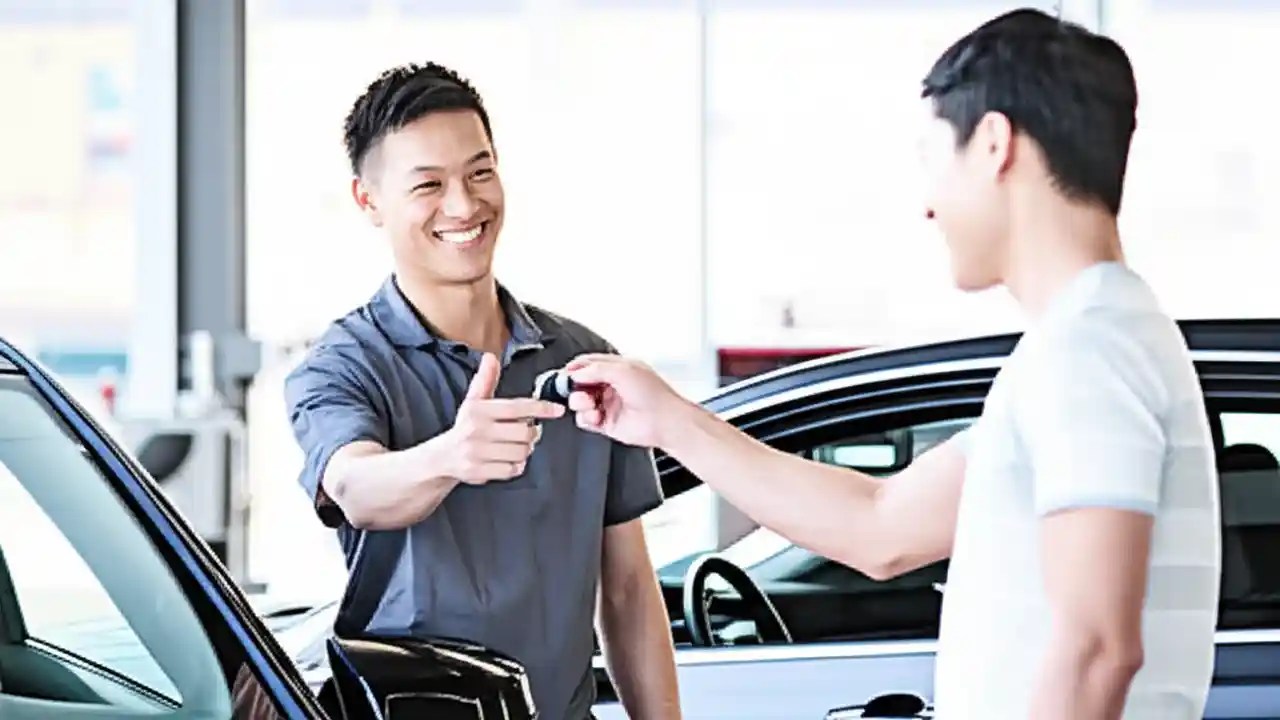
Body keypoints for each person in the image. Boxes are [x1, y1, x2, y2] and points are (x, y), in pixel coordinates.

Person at [562, 9, 1219, 720]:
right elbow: (880, 527)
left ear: (995, 144)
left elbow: (1097, 648)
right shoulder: (1093, 340)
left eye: (935, 161)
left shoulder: (1092, 350)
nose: (928, 205)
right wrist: (671, 421)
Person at [283, 61, 680, 720]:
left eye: (480, 172)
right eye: (428, 185)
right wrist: (447, 457)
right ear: (368, 201)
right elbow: (355, 489)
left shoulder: (583, 359)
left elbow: (631, 589)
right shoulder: (342, 365)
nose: (465, 206)